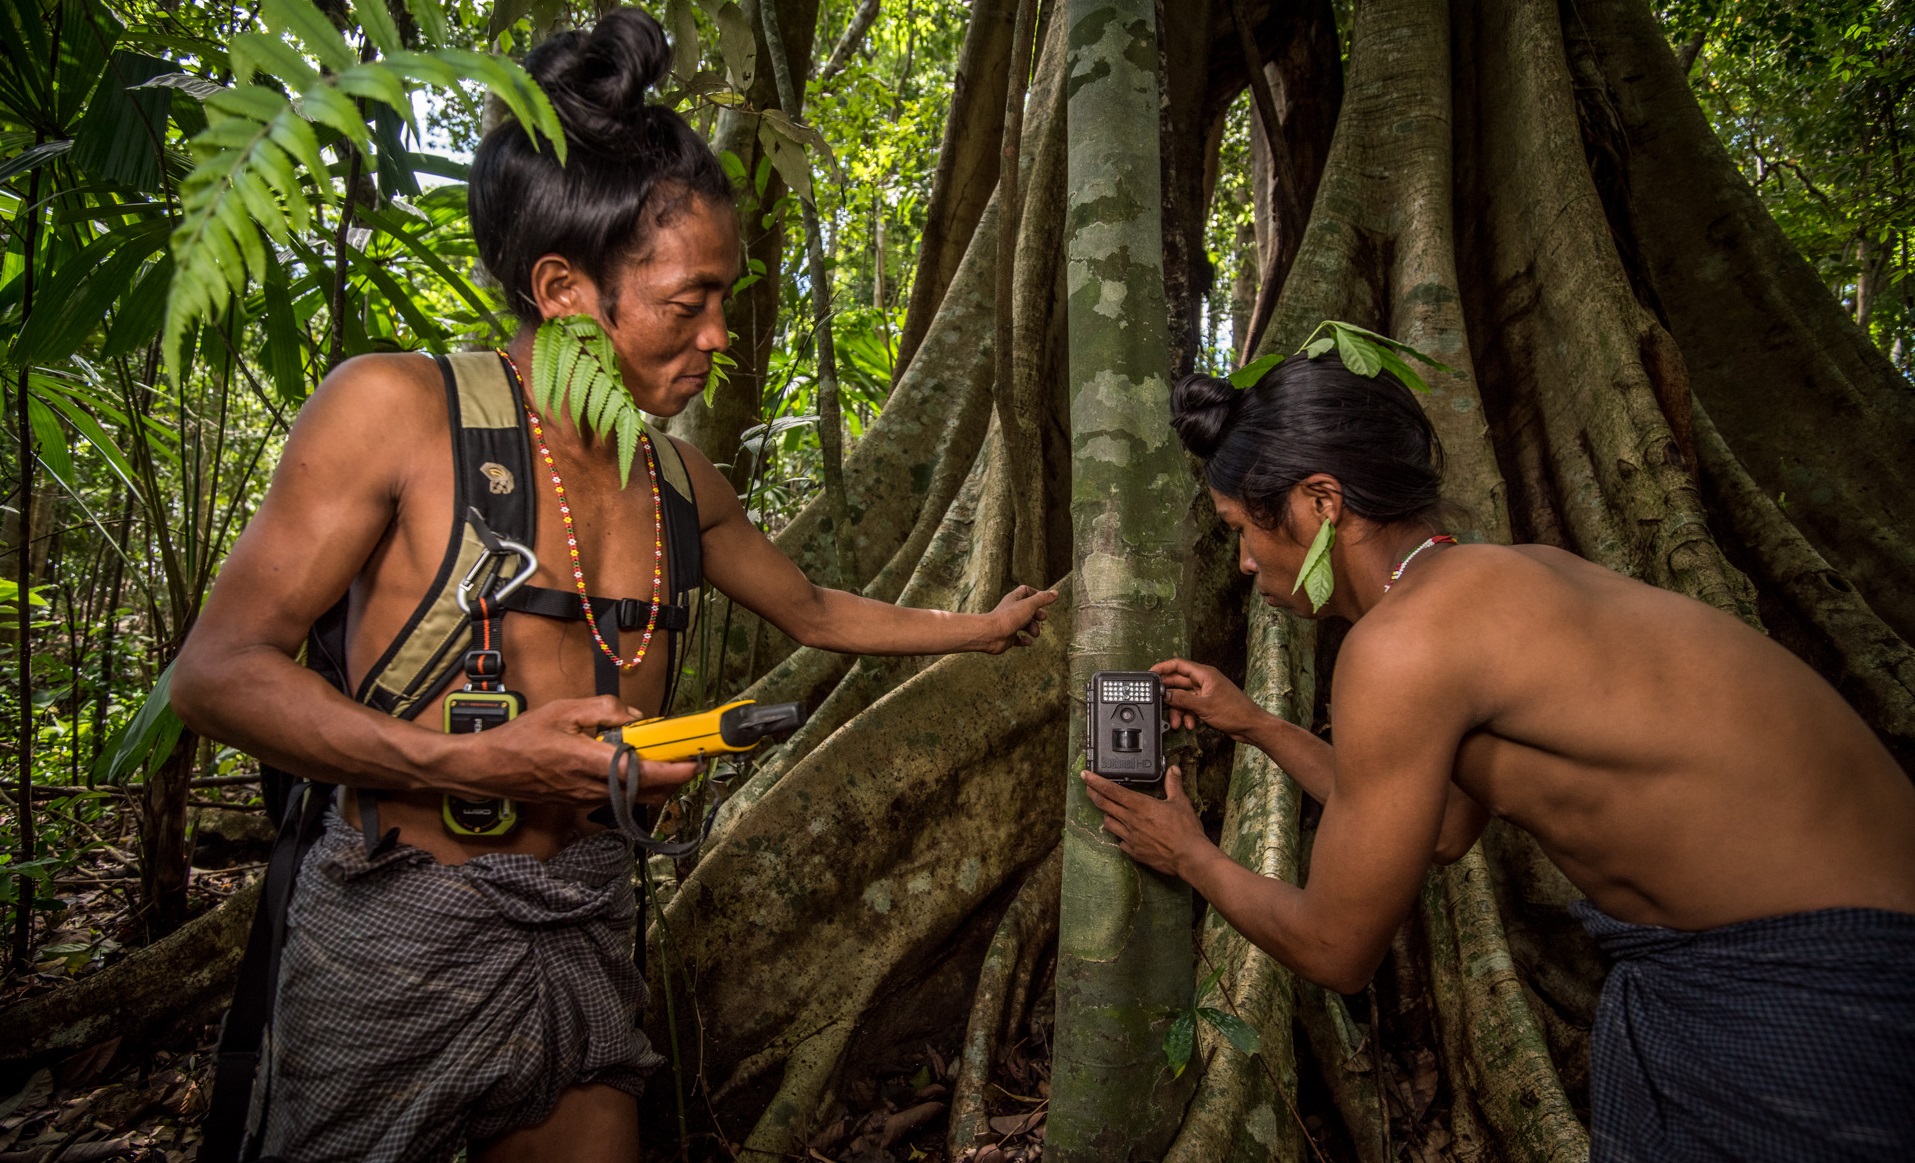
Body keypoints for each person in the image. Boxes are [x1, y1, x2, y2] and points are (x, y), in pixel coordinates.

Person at [169, 10, 1055, 1161]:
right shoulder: (396, 413)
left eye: (726, 299)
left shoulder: (682, 483)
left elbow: (815, 611)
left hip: (588, 911)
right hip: (399, 927)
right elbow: (215, 672)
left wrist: (982, 628)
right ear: (564, 287)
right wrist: (467, 763)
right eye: (689, 302)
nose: (720, 335)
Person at [1080, 352, 1915, 1162]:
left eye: (1240, 529)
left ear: (1320, 501)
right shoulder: (1506, 576)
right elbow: (1442, 826)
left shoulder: (1402, 644)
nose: (1243, 562)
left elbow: (1336, 948)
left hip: (1815, 986)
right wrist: (1255, 722)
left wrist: (1188, 854)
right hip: (1794, 961)